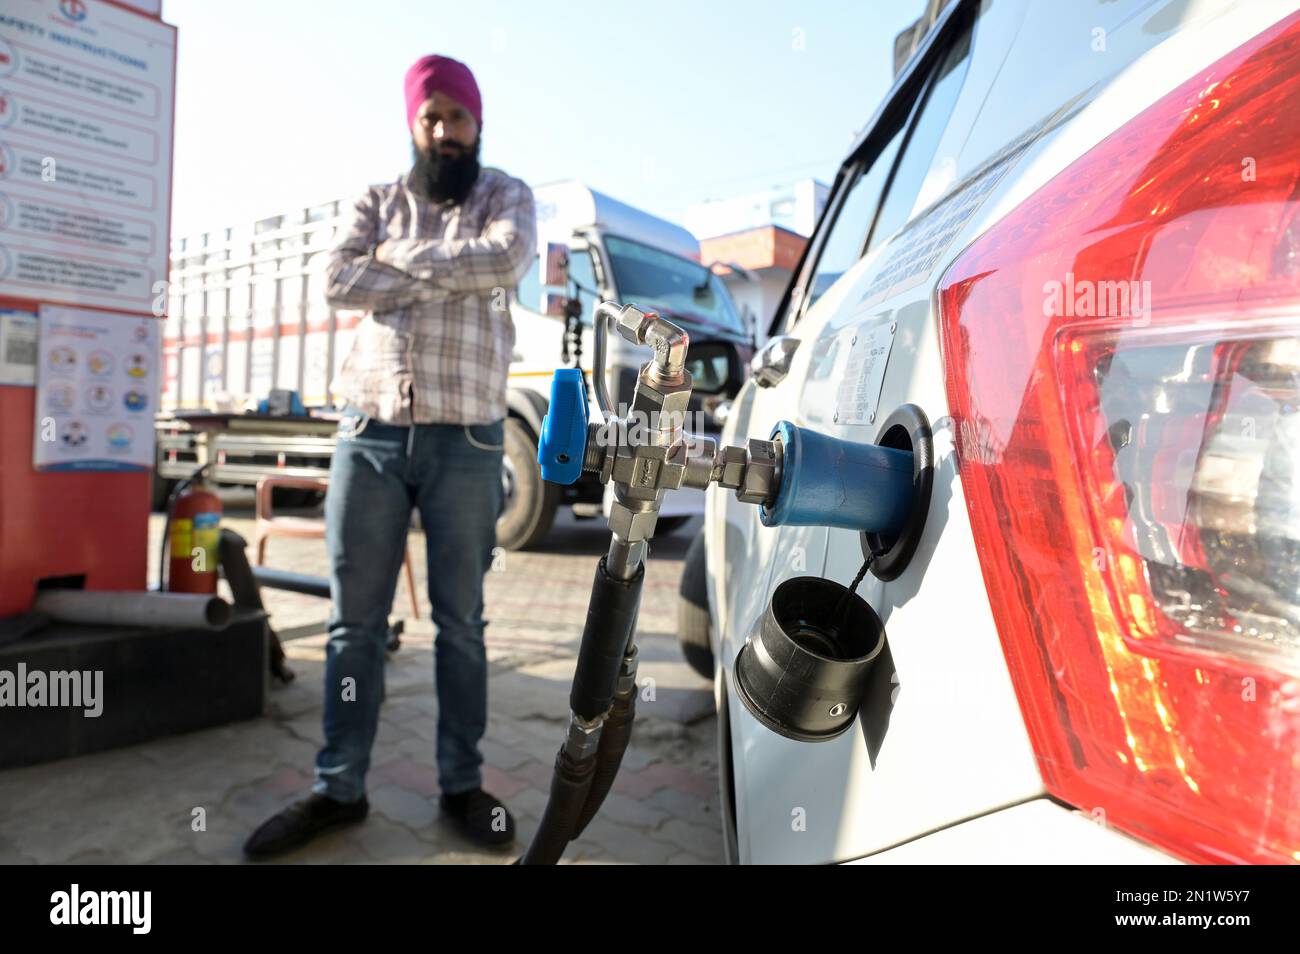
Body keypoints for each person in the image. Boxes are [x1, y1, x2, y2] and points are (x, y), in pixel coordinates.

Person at [244, 54, 536, 858]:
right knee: (352, 629)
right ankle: (338, 788)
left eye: (458, 117)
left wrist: (397, 269)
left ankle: (462, 784)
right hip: (369, 435)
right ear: (414, 124)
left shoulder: (506, 194)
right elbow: (337, 279)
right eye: (431, 117)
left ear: (479, 124)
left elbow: (505, 260)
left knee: (462, 626)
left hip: (470, 440)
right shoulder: (376, 198)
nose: (444, 131)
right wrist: (447, 272)